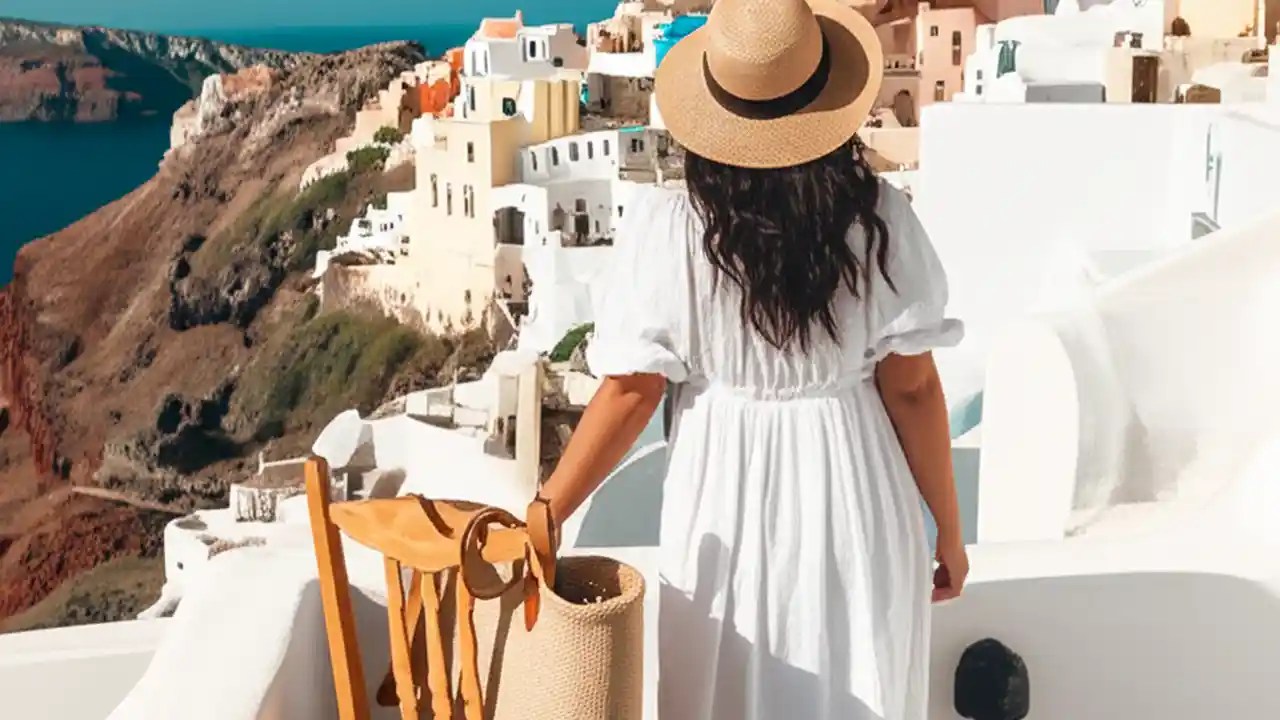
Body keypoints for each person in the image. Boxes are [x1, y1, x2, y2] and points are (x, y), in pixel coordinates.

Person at [539, 0, 967, 717]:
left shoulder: (672, 231)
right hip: (856, 492)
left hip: (723, 494)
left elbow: (629, 393)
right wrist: (947, 531)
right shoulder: (881, 220)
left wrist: (545, 516)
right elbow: (914, 389)